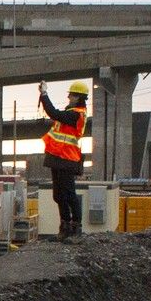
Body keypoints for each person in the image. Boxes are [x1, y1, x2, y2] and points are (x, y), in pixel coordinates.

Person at [39, 80, 89, 240]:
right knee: (59, 195)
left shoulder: (76, 114)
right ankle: (65, 227)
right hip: (57, 157)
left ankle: (76, 228)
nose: (68, 96)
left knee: (69, 194)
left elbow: (53, 113)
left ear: (79, 97)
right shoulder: (71, 112)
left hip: (67, 158)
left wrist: (44, 94)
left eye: (72, 94)